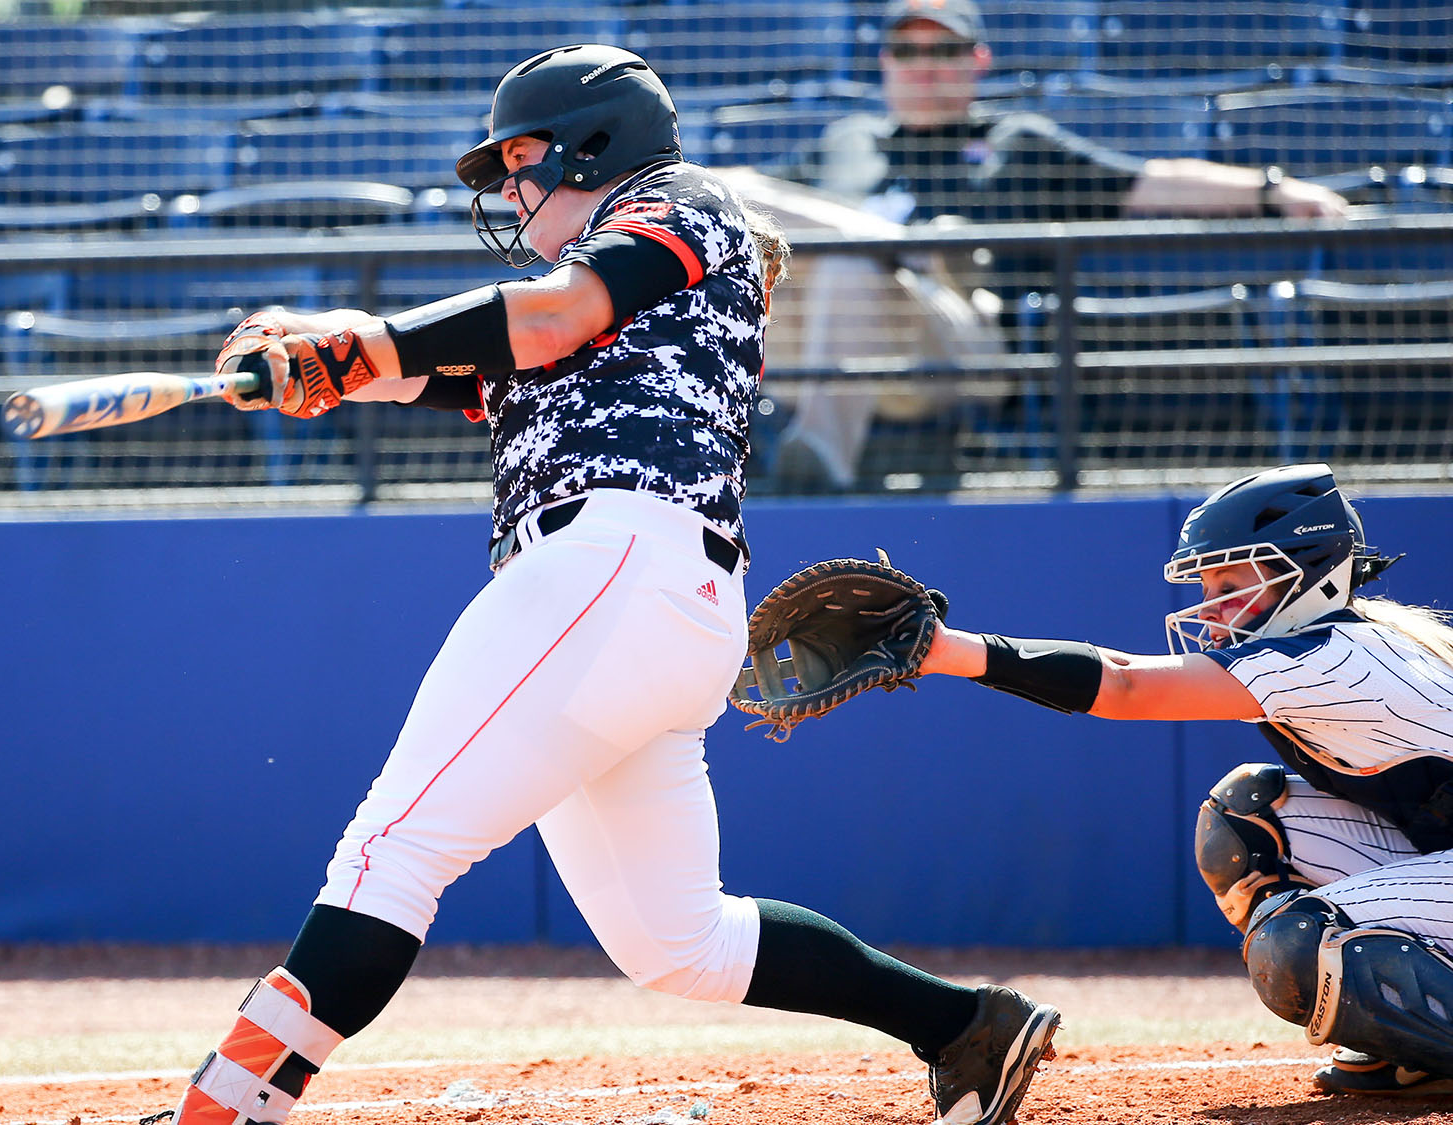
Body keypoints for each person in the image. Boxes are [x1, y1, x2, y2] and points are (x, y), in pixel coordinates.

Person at [150, 44, 1060, 1125]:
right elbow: (468, 365)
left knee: (392, 851)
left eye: (521, 157)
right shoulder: (602, 301)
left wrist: (359, 344)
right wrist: (322, 357)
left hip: (613, 570)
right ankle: (966, 1027)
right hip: (648, 604)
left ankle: (229, 1108)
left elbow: (540, 319)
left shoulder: (678, 205)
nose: (506, 185)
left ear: (595, 143)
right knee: (682, 944)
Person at [913, 462, 1453, 1097]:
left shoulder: (1333, 657)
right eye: (1207, 581)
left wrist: (946, 651)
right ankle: (1410, 1046)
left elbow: (1125, 684)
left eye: (1232, 579)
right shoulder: (1336, 642)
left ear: (1308, 573)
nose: (1211, 603)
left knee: (1297, 944)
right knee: (1248, 818)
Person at [739, 0, 1352, 493]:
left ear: (978, 61)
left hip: (953, 342)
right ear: (885, 63)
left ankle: (818, 456)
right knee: (737, 194)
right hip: (820, 347)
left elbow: (1147, 180)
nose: (924, 64)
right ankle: (892, 246)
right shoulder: (847, 140)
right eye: (907, 50)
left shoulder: (1016, 143)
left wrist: (1270, 190)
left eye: (945, 50)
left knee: (853, 264)